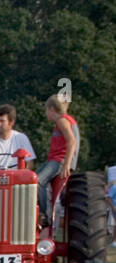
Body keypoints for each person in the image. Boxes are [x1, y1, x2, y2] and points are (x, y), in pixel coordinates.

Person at [37, 94, 79, 227]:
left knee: (37, 181)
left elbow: (72, 141)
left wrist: (67, 164)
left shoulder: (62, 120)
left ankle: (44, 214)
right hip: (55, 160)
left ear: (51, 109)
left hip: (59, 161)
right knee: (29, 180)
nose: (46, 114)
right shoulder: (63, 121)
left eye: (46, 110)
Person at [0, 103, 35, 170]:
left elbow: (29, 162)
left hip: (17, 178)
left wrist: (22, 177)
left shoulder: (21, 138)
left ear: (11, 122)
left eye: (2, 121)